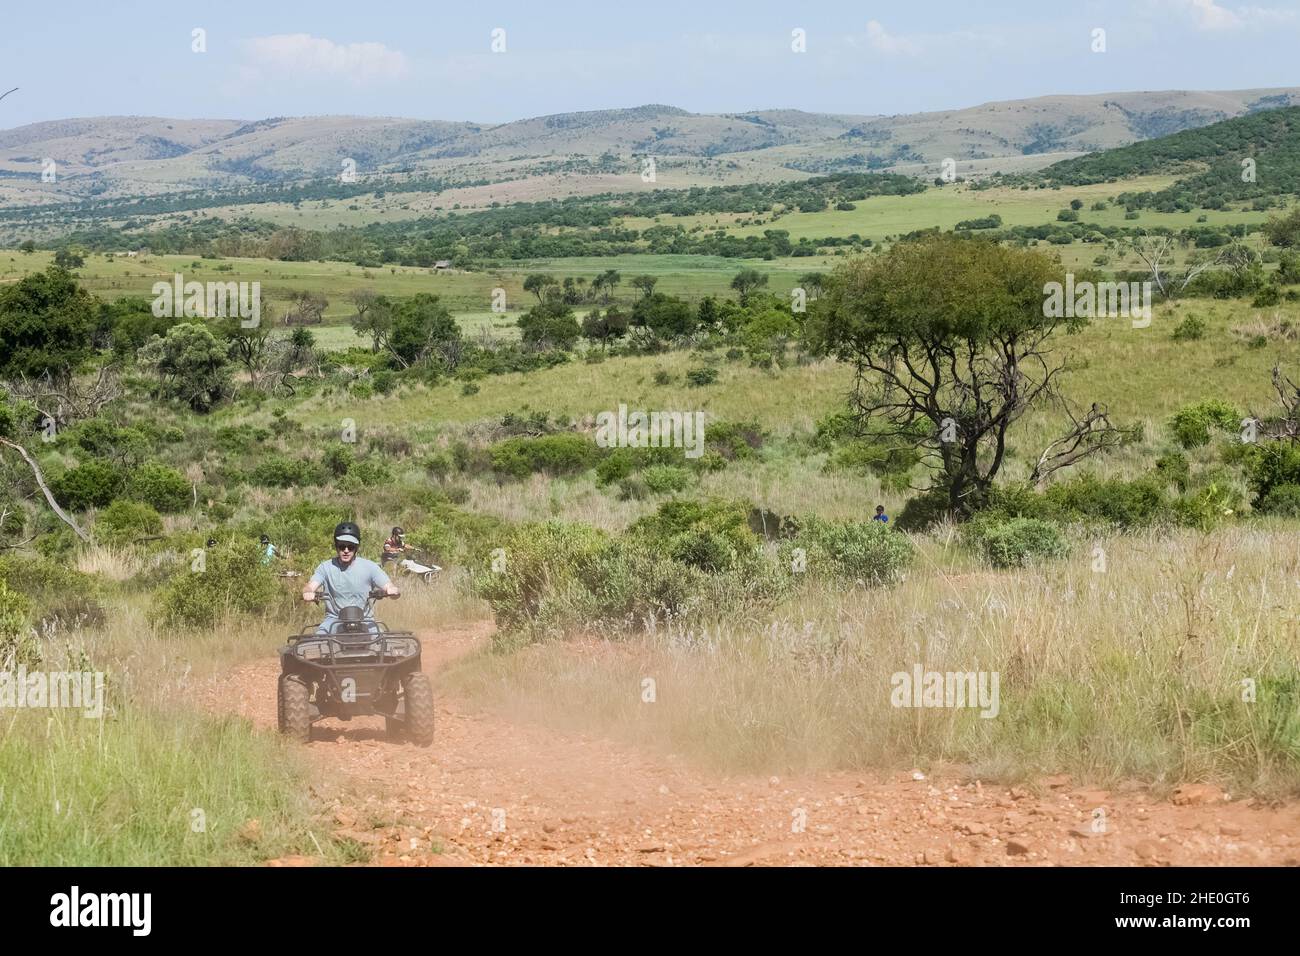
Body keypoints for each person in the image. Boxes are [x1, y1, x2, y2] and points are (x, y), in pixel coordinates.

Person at [302, 522, 400, 634]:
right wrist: (308, 592)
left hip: (365, 620)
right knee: (319, 642)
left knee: (381, 642)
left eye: (351, 547)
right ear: (336, 546)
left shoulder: (370, 567)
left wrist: (392, 590)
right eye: (342, 546)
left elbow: (388, 586)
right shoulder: (325, 567)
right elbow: (310, 586)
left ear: (356, 548)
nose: (346, 550)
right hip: (334, 620)